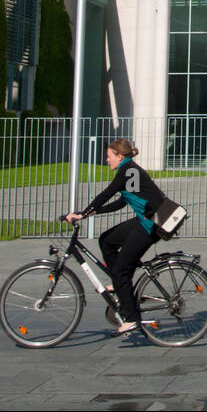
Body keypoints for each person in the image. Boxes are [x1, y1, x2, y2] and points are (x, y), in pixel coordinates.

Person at [64, 139, 165, 335]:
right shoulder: (130, 170)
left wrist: (83, 213)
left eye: (109, 155)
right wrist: (91, 213)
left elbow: (107, 193)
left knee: (120, 270)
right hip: (146, 219)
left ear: (119, 156)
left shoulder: (127, 170)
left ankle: (131, 318)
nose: (106, 159)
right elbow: (120, 202)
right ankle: (121, 282)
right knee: (107, 240)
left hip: (152, 224)